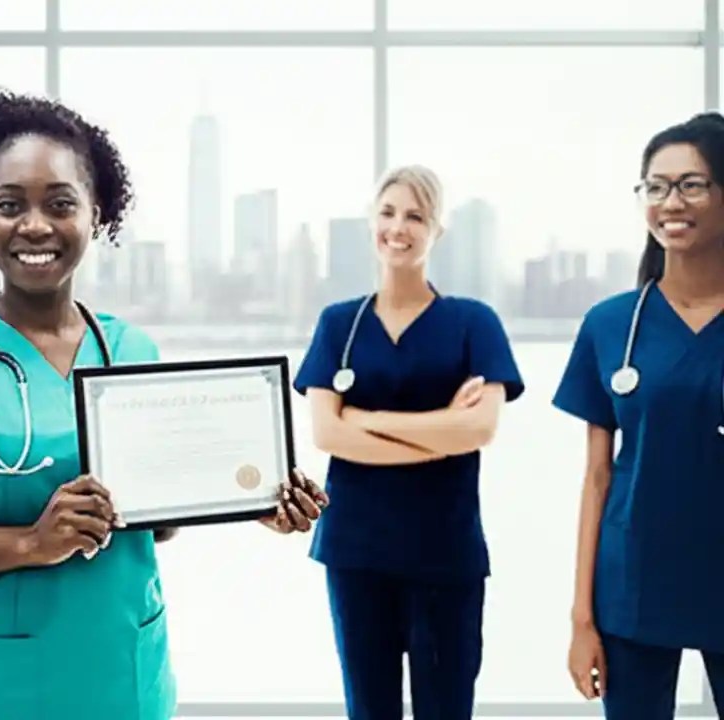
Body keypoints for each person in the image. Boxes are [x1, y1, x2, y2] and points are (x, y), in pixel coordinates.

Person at [0, 88, 327, 720]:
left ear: (95, 213)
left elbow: (158, 520)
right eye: (10, 205)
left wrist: (251, 496)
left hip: (123, 672)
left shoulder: (132, 348)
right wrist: (28, 545)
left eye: (60, 203)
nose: (35, 225)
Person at [292, 165, 524, 719]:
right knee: (369, 709)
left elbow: (480, 429)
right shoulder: (338, 324)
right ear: (372, 222)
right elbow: (326, 433)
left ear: (437, 230)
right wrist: (440, 429)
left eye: (416, 216)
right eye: (389, 213)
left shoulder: (473, 322)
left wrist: (367, 420)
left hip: (445, 553)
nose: (399, 227)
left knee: (446, 709)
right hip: (356, 552)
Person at [553, 112, 724, 718]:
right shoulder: (610, 324)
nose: (670, 201)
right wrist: (581, 619)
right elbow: (597, 478)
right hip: (633, 587)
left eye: (692, 184)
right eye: (655, 186)